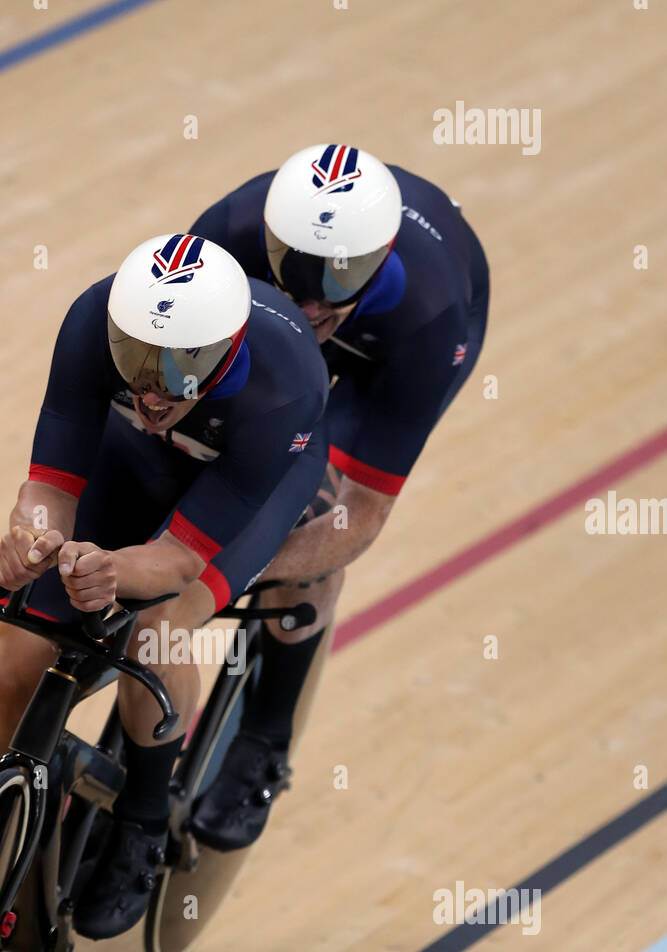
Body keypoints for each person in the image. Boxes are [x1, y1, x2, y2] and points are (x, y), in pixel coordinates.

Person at [0, 233, 331, 938]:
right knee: (13, 671)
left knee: (156, 628)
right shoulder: (90, 320)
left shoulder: (286, 383)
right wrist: (34, 539)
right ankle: (2, 840)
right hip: (135, 458)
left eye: (178, 367)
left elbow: (176, 561)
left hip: (247, 486)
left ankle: (143, 814)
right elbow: (49, 483)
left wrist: (110, 570)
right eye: (136, 358)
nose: (151, 385)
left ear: (225, 348)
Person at [186, 144, 491, 850]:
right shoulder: (223, 238)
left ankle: (265, 736)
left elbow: (364, 513)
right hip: (269, 331)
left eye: (338, 283)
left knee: (321, 514)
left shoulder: (429, 311)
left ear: (378, 261)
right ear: (267, 241)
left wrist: (235, 569)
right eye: (297, 275)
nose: (313, 302)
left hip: (383, 357)